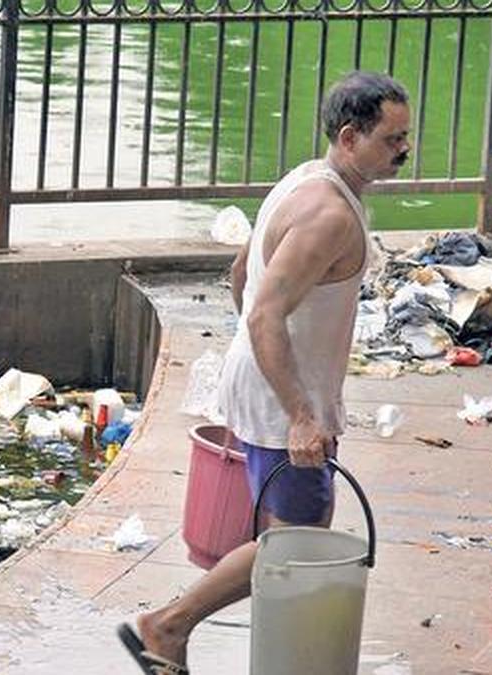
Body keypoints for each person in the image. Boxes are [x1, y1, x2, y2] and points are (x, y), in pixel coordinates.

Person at [118, 71, 412, 674]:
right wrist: (300, 413)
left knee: (291, 535)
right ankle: (166, 627)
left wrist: (254, 361)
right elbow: (265, 311)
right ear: (351, 137)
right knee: (296, 540)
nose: (404, 150)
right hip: (285, 402)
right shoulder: (328, 212)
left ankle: (182, 630)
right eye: (392, 139)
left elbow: (240, 275)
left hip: (269, 386)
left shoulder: (307, 178)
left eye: (407, 136)